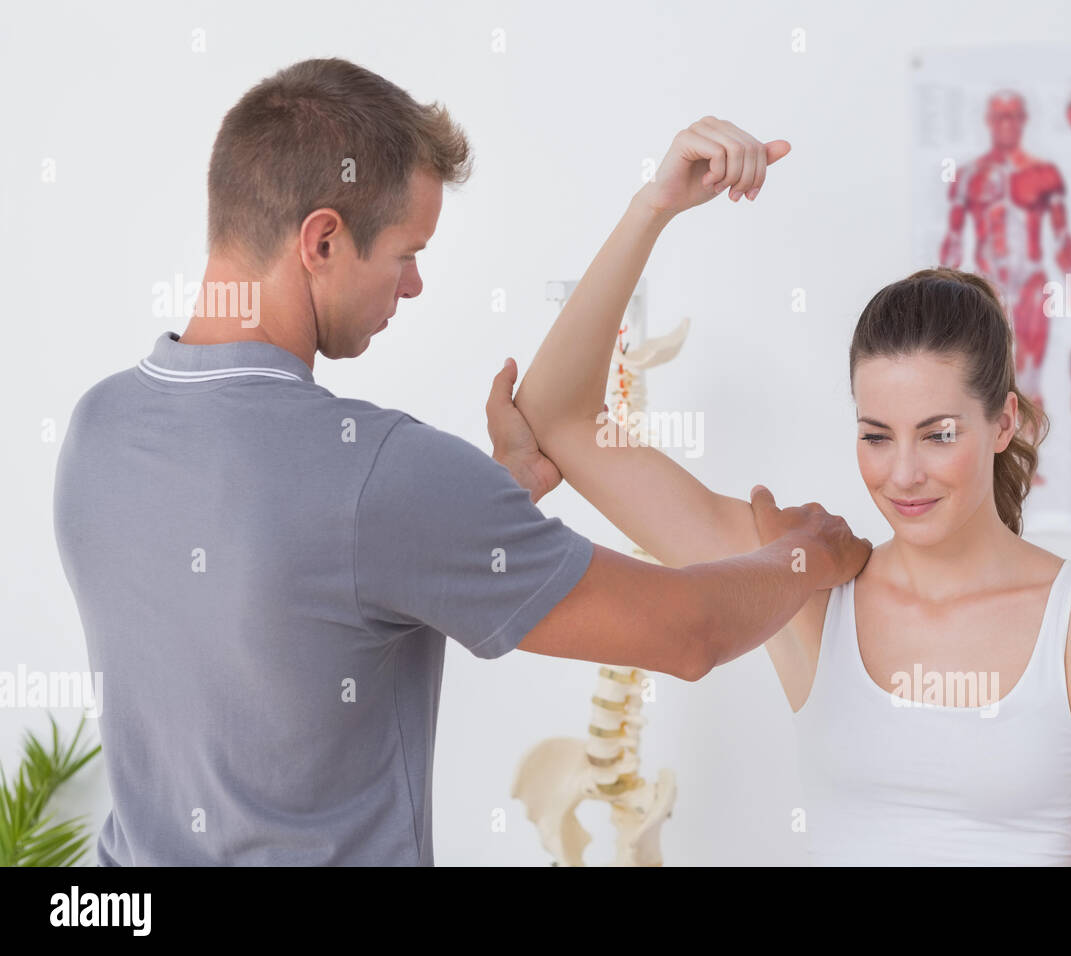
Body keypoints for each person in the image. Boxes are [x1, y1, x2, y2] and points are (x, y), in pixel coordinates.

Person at [50, 60, 870, 867]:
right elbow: (688, 634)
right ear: (323, 240)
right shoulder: (384, 475)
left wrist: (495, 496)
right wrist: (809, 555)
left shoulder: (97, 428)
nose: (411, 287)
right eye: (407, 253)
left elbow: (289, 586)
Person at [500, 116, 1071, 865]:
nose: (903, 473)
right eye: (877, 435)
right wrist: (651, 208)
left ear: (1003, 422)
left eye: (939, 433)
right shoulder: (805, 586)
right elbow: (562, 419)